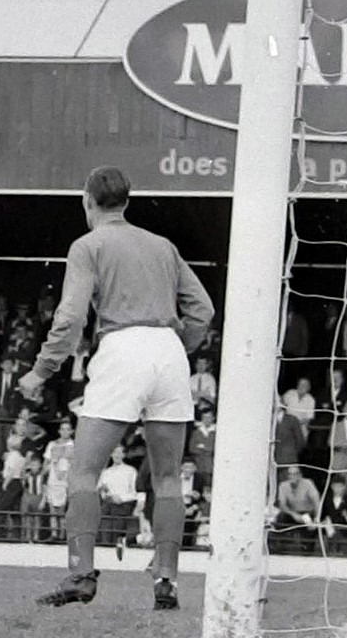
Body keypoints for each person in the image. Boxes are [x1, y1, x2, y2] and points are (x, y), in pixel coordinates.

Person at [20, 166, 215, 611]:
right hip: (168, 351)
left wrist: (42, 370)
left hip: (122, 346)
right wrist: (176, 347)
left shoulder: (88, 245)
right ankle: (166, 581)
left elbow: (71, 317)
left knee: (84, 471)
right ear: (127, 202)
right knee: (168, 478)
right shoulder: (162, 245)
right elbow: (202, 309)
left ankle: (80, 574)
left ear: (88, 200)